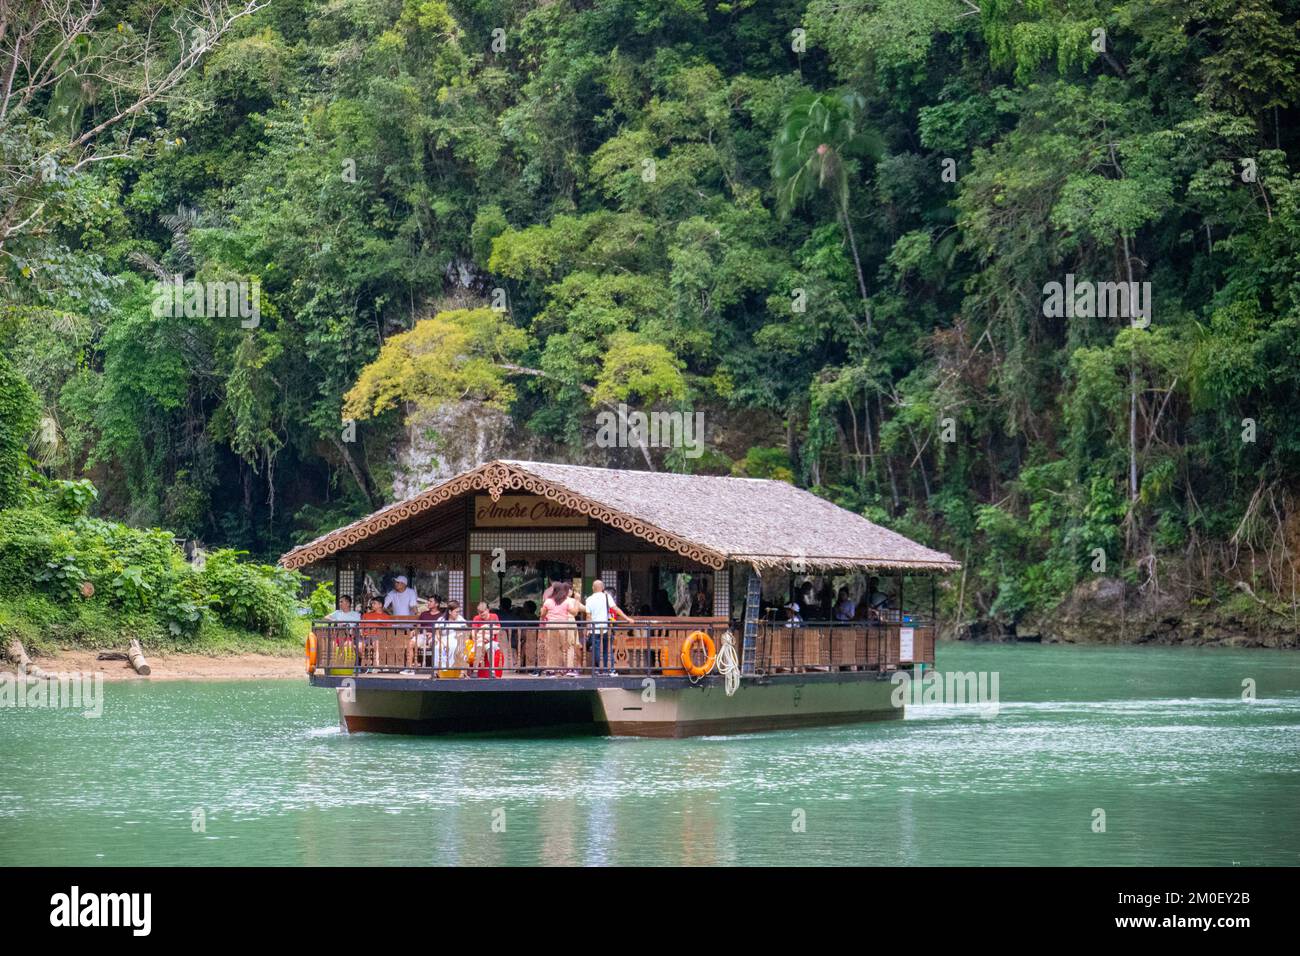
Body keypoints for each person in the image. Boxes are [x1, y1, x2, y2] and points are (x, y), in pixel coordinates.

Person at [584, 580, 631, 675]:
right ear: (602, 588)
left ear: (593, 588)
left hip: (594, 629)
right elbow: (615, 608)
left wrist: (588, 628)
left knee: (596, 649)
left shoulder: (589, 599)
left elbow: (588, 616)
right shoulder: (607, 596)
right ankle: (609, 669)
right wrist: (627, 618)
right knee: (607, 648)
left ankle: (599, 669)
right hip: (605, 628)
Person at [540, 581, 581, 674]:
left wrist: (545, 613)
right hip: (564, 625)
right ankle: (569, 669)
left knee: (552, 647)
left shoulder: (548, 601)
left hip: (551, 626)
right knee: (568, 647)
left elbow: (543, 614)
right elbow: (574, 612)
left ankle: (551, 670)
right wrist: (577, 600)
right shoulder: (566, 601)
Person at [472, 601, 504, 677]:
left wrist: (485, 630)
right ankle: (475, 670)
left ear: (487, 610)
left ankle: (492, 671)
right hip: (480, 640)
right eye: (480, 613)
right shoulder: (476, 618)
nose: (481, 615)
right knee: (478, 647)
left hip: (492, 641)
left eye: (483, 613)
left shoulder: (494, 616)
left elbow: (497, 630)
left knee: (490, 647)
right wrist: (483, 633)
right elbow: (474, 633)